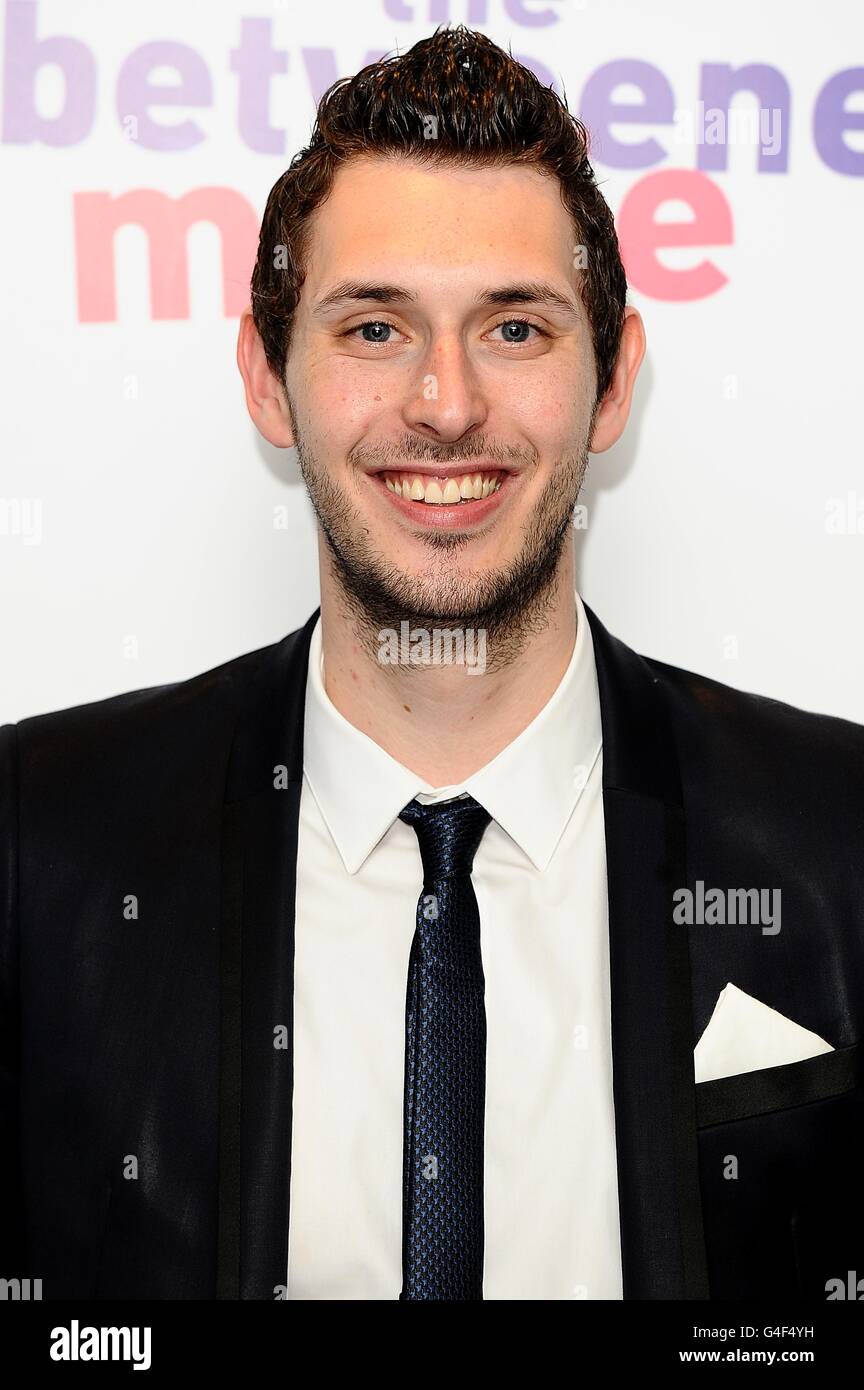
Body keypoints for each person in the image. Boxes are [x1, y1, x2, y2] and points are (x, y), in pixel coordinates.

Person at [2, 25, 862, 1302]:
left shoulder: (838, 836)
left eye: (515, 328)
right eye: (373, 329)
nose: (446, 403)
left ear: (613, 380)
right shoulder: (39, 846)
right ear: (267, 382)